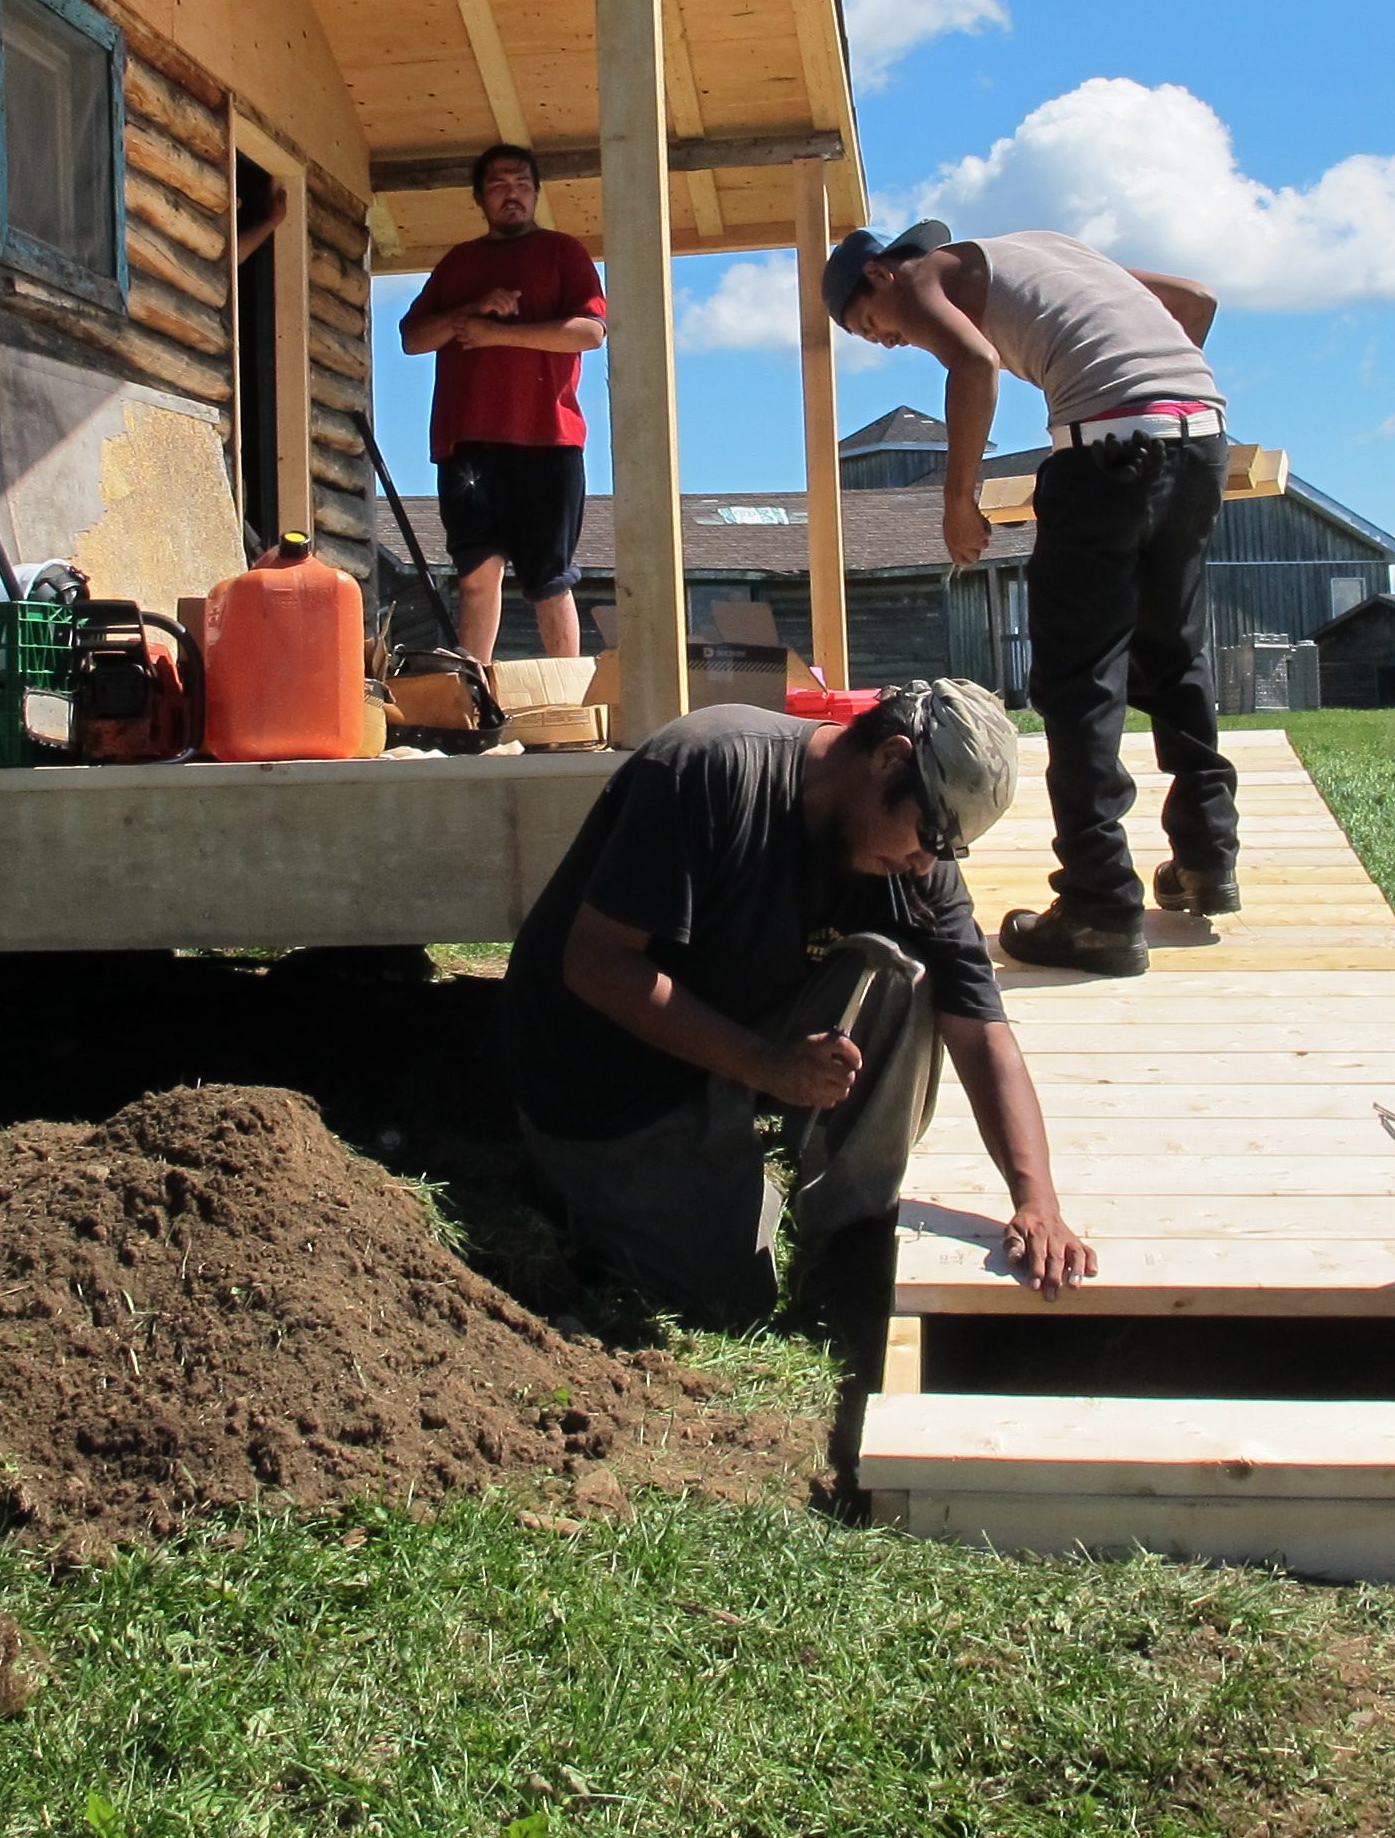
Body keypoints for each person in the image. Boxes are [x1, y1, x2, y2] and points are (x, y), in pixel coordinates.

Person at [499, 678, 1096, 1329]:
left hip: (735, 1033)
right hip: (603, 1067)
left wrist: (1035, 1197)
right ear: (891, 758)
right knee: (725, 1296)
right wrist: (762, 1064)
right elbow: (596, 964)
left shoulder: (910, 857)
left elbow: (981, 1026)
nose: (926, 864)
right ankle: (568, 1184)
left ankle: (848, 1227)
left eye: (946, 849)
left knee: (917, 975)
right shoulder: (711, 768)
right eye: (926, 836)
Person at [825, 220, 1228, 978]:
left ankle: (1099, 908)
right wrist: (1158, 401)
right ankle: (1207, 856)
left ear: (879, 275)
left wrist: (958, 498)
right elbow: (1195, 301)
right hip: (1199, 433)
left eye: (868, 328)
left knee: (1080, 683)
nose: (887, 341)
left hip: (1108, 450)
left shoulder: (917, 280)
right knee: (1173, 653)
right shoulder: (1045, 251)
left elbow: (973, 363)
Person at [397, 144, 607, 666]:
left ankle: (567, 703)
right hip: (467, 443)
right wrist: (471, 310)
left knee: (549, 579)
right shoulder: (458, 262)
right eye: (498, 185)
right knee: (475, 573)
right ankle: (475, 698)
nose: (511, 194)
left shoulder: (564, 253)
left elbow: (589, 332)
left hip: (547, 440)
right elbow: (412, 337)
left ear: (535, 193)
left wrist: (496, 335)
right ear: (479, 198)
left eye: (521, 184)